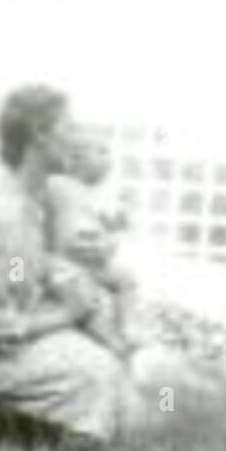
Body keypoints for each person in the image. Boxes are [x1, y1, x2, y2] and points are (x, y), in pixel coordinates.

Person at [0, 84, 140, 447]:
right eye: (70, 128)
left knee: (106, 374)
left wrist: (79, 267)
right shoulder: (4, 213)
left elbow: (22, 267)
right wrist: (68, 313)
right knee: (98, 375)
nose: (78, 140)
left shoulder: (33, 193)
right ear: (40, 136)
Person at [42, 123, 139, 362]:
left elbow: (102, 222)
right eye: (102, 152)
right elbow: (62, 228)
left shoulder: (88, 193)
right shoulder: (58, 185)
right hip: (63, 262)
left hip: (88, 261)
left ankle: (126, 328)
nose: (110, 161)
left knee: (126, 280)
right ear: (73, 160)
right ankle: (113, 343)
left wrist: (117, 222)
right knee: (85, 304)